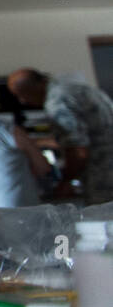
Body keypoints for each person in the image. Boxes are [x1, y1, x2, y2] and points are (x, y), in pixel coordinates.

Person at [7, 68, 113, 205]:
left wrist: (66, 181)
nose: (22, 101)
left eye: (22, 94)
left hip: (103, 175)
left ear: (36, 86)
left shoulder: (56, 103)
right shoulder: (73, 87)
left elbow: (79, 151)